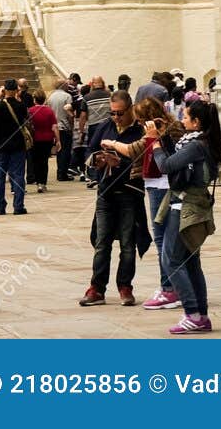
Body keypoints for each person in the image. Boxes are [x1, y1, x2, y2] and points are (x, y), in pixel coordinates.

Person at [140, 97, 218, 335]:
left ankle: (192, 314)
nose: (182, 120)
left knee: (172, 261)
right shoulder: (197, 142)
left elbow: (166, 165)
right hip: (188, 206)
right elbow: (175, 158)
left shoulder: (196, 145)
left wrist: (154, 142)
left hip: (185, 208)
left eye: (185, 117)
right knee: (191, 263)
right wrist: (162, 137)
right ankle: (200, 316)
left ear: (196, 122)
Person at [103, 97, 184, 312]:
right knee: (165, 238)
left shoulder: (166, 130)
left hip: (163, 186)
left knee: (162, 238)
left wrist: (112, 143)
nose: (139, 124)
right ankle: (172, 287)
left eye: (141, 120)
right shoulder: (159, 129)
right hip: (154, 185)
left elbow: (134, 150)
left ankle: (169, 288)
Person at [79, 89, 149, 307]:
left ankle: (125, 286)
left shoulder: (140, 131)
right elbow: (88, 153)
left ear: (130, 110)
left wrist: (120, 163)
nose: (116, 118)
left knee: (128, 244)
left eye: (120, 113)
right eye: (113, 113)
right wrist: (97, 160)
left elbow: (144, 159)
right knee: (102, 243)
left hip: (129, 192)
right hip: (106, 192)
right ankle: (97, 288)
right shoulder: (104, 127)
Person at [0, 78, 29, 215]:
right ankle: (18, 206)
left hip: (1, 145)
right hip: (17, 144)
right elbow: (25, 116)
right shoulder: (20, 105)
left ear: (4, 90)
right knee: (18, 175)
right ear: (16, 90)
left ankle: (0, 206)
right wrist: (18, 97)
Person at [28, 90, 59, 193]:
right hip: (47, 139)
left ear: (34, 99)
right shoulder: (50, 111)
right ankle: (43, 182)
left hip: (35, 139)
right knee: (44, 161)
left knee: (35, 161)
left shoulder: (30, 111)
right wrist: (58, 140)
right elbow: (54, 127)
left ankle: (38, 183)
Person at [47, 80, 74, 182]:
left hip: (54, 126)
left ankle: (60, 171)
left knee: (59, 150)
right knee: (65, 151)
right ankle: (62, 173)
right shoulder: (67, 96)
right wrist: (71, 126)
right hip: (64, 126)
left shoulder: (50, 97)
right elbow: (69, 113)